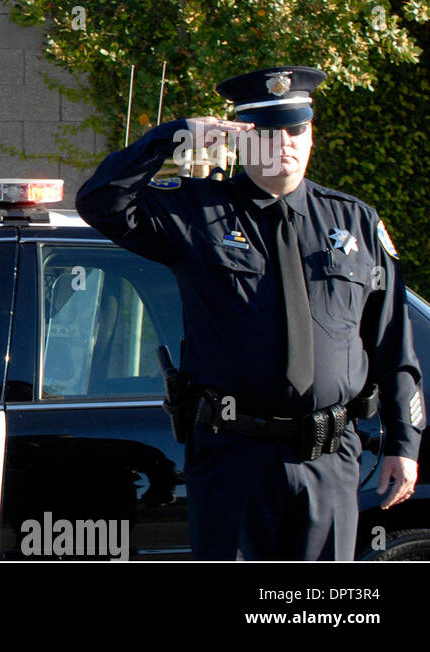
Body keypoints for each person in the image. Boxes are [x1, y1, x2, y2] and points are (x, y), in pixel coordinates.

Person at [76, 66, 422, 560]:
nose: (284, 143)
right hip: (233, 454)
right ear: (240, 139)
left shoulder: (355, 221)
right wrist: (171, 138)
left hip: (331, 456)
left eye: (296, 129)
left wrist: (403, 444)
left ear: (311, 132)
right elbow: (100, 201)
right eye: (266, 132)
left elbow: (393, 343)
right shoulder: (194, 210)